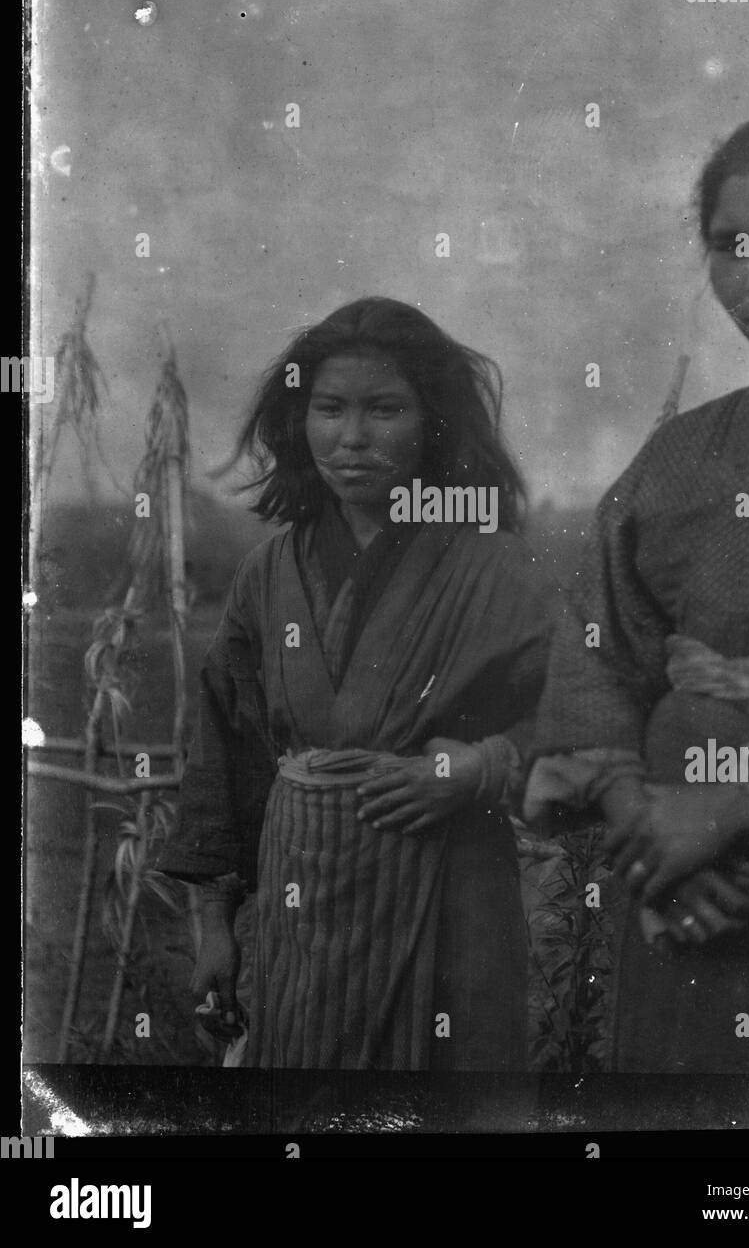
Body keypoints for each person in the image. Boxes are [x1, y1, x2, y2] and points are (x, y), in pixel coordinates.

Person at [523, 109, 749, 1074]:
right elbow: (595, 656)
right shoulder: (680, 457)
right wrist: (645, 830)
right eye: (728, 247)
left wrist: (737, 805)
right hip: (678, 909)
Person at [159, 297, 554, 1070]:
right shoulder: (270, 574)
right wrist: (213, 926)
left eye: (385, 409)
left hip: (448, 898)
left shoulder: (495, 568)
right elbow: (225, 754)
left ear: (432, 419)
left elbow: (582, 713)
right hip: (300, 899)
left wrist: (476, 769)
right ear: (298, 421)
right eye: (329, 409)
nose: (351, 437)